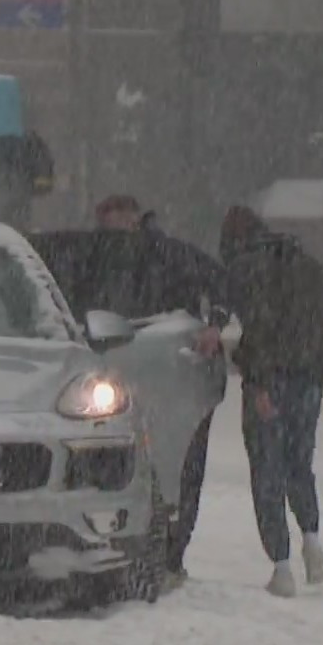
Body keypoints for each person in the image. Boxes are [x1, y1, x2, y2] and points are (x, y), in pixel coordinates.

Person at [92, 195, 231, 587]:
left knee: (180, 463)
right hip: (116, 370)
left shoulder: (167, 255)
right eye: (110, 216)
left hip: (168, 370)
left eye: (122, 216)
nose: (117, 224)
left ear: (136, 218)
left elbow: (221, 283)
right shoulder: (90, 259)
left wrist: (213, 326)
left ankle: (171, 551)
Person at [219, 205, 323, 598]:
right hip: (309, 380)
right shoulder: (310, 268)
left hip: (268, 380)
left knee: (266, 470)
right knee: (298, 464)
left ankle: (281, 567)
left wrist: (256, 381)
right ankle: (312, 541)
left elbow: (257, 327)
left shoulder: (245, 271)